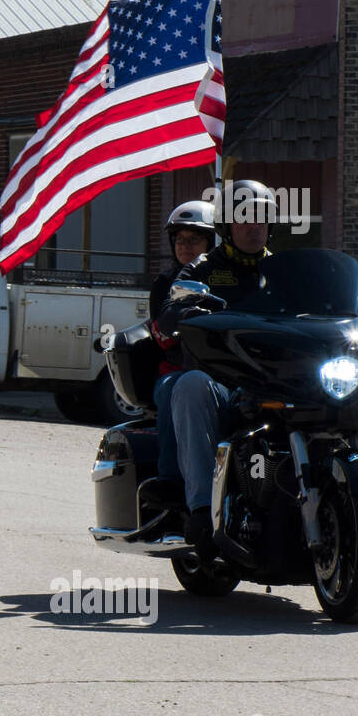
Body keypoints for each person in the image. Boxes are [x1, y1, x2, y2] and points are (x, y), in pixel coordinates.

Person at [156, 181, 358, 554]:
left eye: (262, 219)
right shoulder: (203, 270)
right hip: (226, 380)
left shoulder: (289, 272)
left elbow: (339, 301)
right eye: (245, 218)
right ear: (226, 225)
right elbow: (171, 311)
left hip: (283, 379)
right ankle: (201, 508)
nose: (254, 226)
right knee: (190, 385)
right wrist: (182, 310)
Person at [141, 200, 218, 504]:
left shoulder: (226, 277)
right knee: (173, 391)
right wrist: (179, 318)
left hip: (225, 369)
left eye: (194, 239)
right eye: (180, 240)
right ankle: (170, 483)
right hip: (179, 369)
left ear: (212, 241)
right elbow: (161, 335)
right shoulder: (166, 283)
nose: (186, 246)